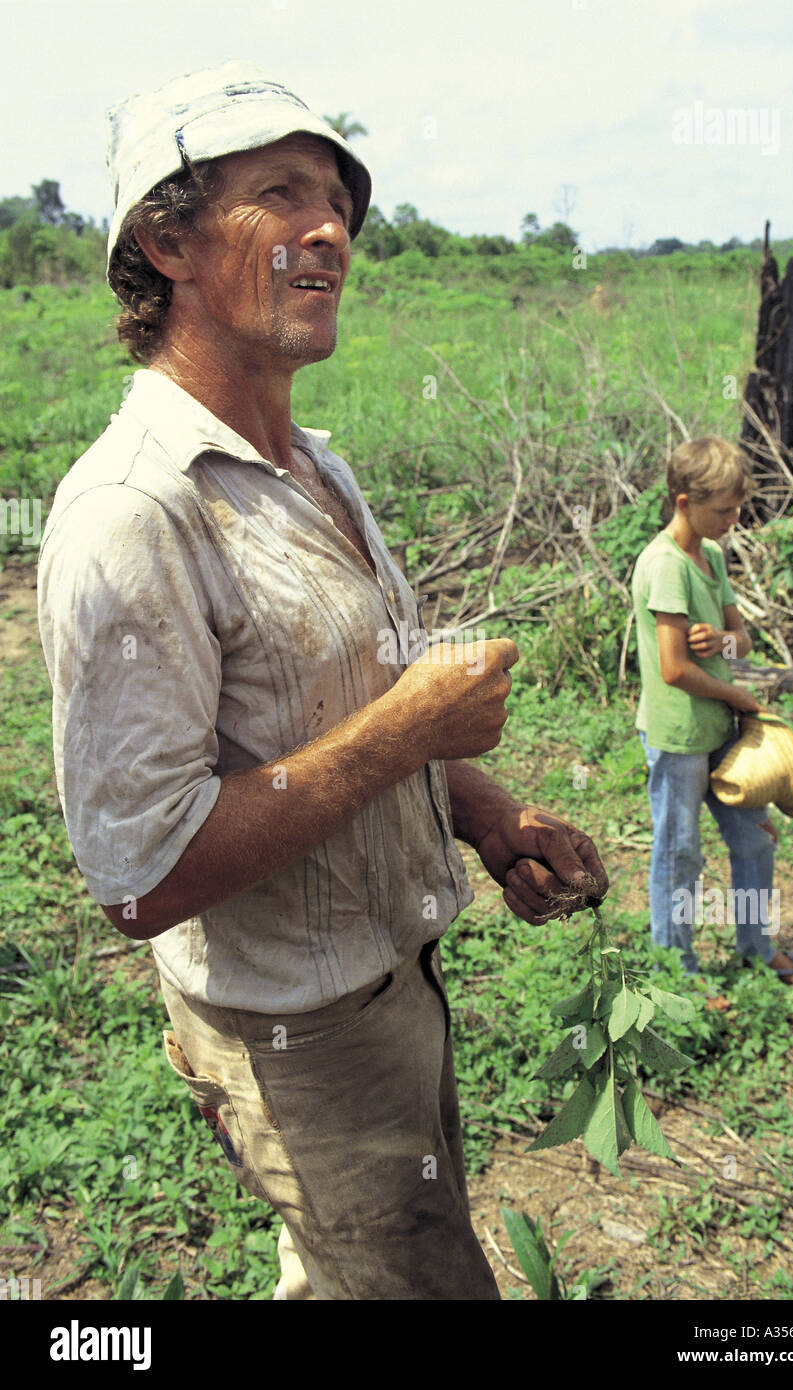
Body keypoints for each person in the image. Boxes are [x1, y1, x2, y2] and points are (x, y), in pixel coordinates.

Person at [37, 62, 608, 1302]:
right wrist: (408, 724)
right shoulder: (136, 512)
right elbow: (139, 880)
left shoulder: (310, 470)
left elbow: (351, 725)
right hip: (300, 1046)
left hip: (394, 990)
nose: (330, 229)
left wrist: (487, 811)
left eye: (340, 200)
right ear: (167, 238)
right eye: (280, 194)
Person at [631, 436, 793, 988]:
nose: (735, 519)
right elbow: (672, 669)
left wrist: (723, 646)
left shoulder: (710, 555)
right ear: (684, 502)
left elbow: (744, 642)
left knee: (755, 838)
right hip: (681, 736)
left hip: (721, 733)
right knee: (679, 853)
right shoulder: (664, 565)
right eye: (725, 509)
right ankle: (676, 974)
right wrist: (739, 696)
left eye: (738, 507)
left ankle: (757, 947)